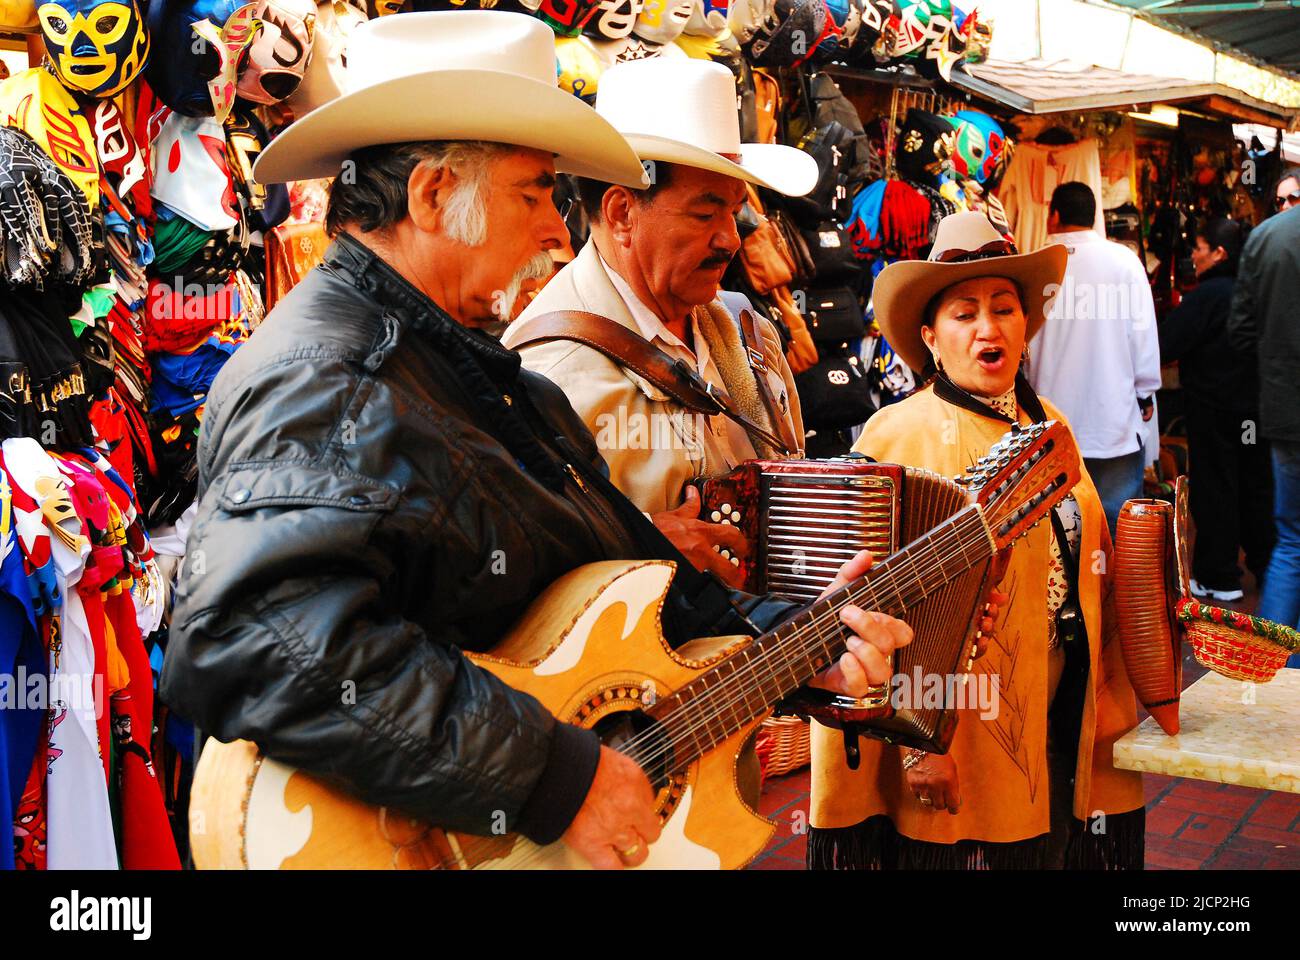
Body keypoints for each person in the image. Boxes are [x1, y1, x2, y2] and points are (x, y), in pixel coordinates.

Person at [158, 10, 913, 871]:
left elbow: (643, 595)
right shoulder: (328, 379)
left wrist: (802, 643)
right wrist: (552, 776)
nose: (560, 233)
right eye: (533, 196)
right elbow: (255, 638)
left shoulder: (486, 380)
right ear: (433, 195)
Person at [809, 212, 1145, 870]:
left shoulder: (1053, 425)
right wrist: (920, 746)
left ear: (1026, 326)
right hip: (955, 734)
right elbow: (860, 617)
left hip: (1053, 708)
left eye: (1004, 308)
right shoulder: (894, 436)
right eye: (964, 314)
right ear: (931, 337)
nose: (989, 328)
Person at [503, 58, 816, 589]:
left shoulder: (749, 330)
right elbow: (523, 588)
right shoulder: (547, 371)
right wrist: (644, 549)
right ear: (623, 212)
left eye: (735, 213)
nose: (731, 240)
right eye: (704, 213)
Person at [1026, 181, 1161, 537]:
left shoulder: (1034, 264)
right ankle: (1113, 593)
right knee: (1119, 532)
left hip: (1049, 425)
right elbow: (1144, 338)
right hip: (1113, 422)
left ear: (1053, 215)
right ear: (1094, 216)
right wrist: (1145, 395)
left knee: (1057, 535)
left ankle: (1076, 594)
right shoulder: (1125, 263)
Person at [1159, 217, 1273, 603]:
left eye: (1199, 247)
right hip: (1253, 413)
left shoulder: (1207, 297)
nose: (1192, 255)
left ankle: (1219, 576)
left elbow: (1165, 345)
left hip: (1214, 411)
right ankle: (1265, 567)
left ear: (1219, 253)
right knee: (1255, 487)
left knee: (1217, 488)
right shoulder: (1255, 290)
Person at [1229, 167, 1300, 655]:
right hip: (1282, 408)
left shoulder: (1264, 239)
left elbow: (1240, 332)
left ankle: (1275, 669)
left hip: (1285, 411)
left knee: (1292, 541)